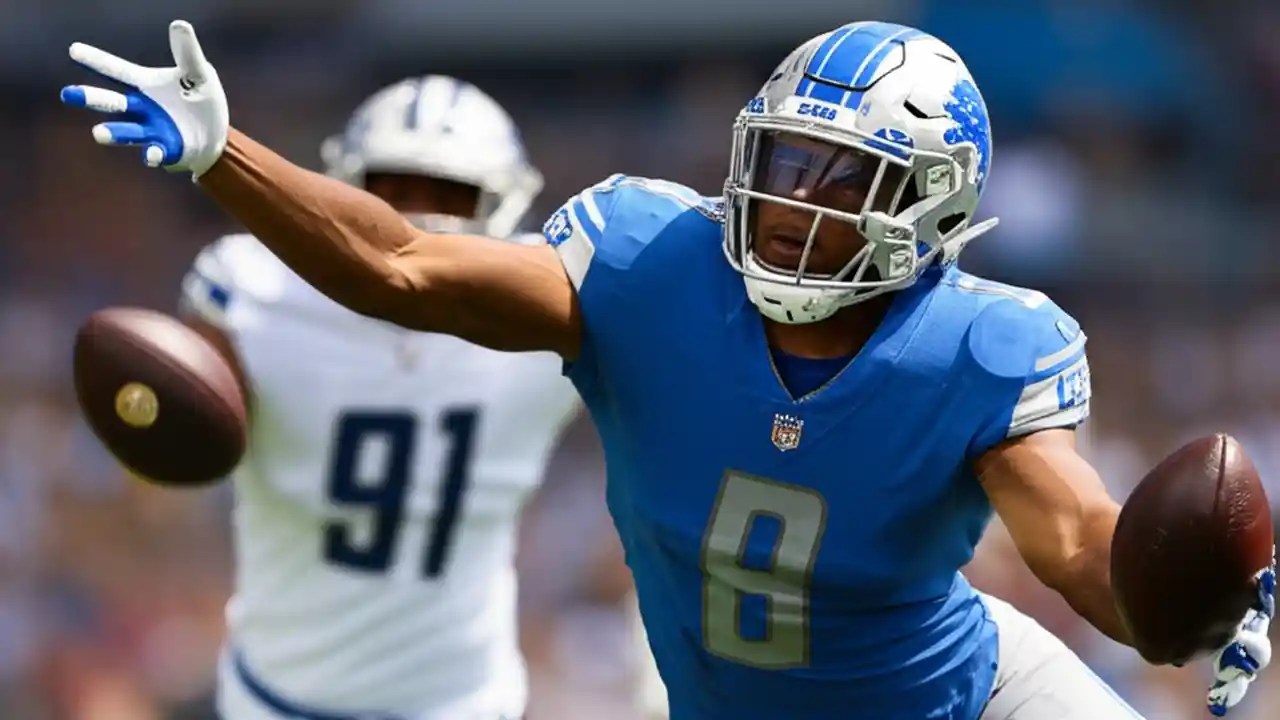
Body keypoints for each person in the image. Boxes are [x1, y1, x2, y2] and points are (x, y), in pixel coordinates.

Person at [60, 19, 1274, 719]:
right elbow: (409, 266)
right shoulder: (646, 265)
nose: (796, 204)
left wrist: (1198, 593)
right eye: (787, 164)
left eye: (844, 182)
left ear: (934, 208)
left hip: (971, 700)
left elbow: (1083, 554)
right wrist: (229, 157)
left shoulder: (977, 342)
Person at [178, 74, 580, 719]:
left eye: (450, 195)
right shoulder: (252, 290)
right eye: (392, 192)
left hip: (459, 703)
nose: (413, 223)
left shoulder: (553, 311)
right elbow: (178, 452)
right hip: (279, 700)